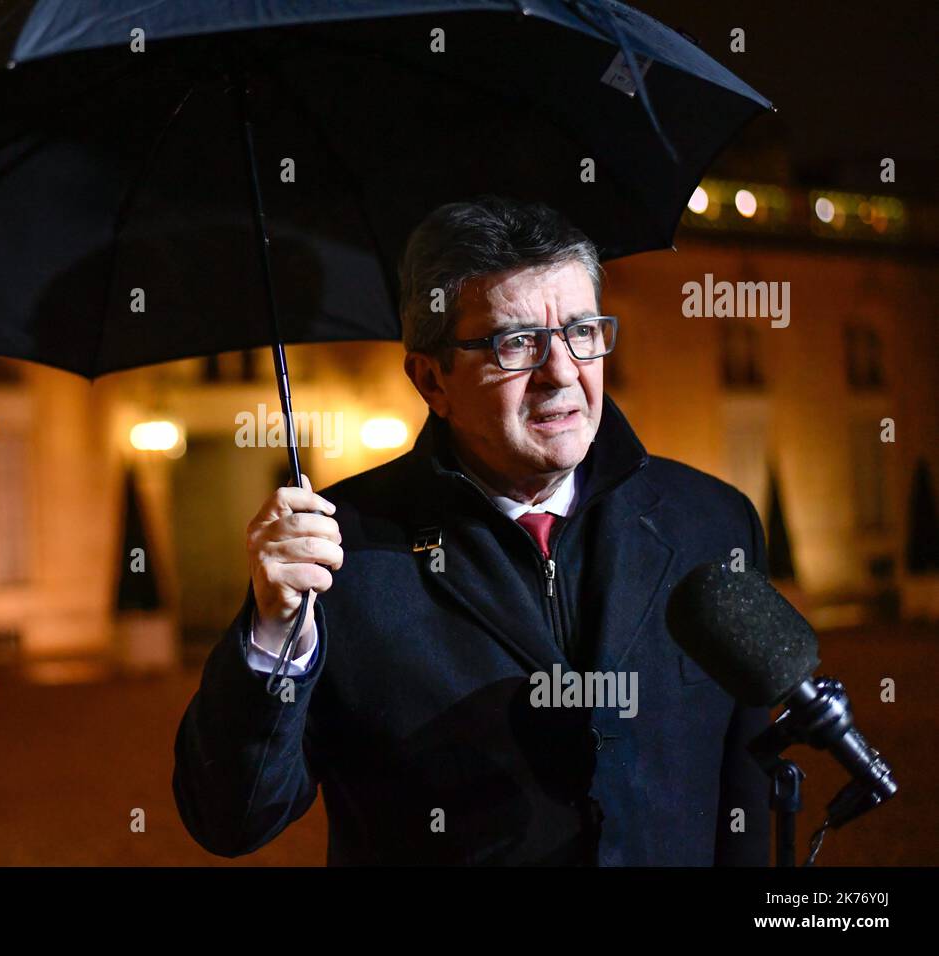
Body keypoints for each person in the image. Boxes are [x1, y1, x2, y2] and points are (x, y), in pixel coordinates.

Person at [172, 195, 772, 865]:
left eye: (581, 331)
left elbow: (745, 797)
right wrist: (274, 636)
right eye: (516, 343)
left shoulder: (712, 522)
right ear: (432, 380)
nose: (561, 372)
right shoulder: (340, 556)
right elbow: (230, 819)